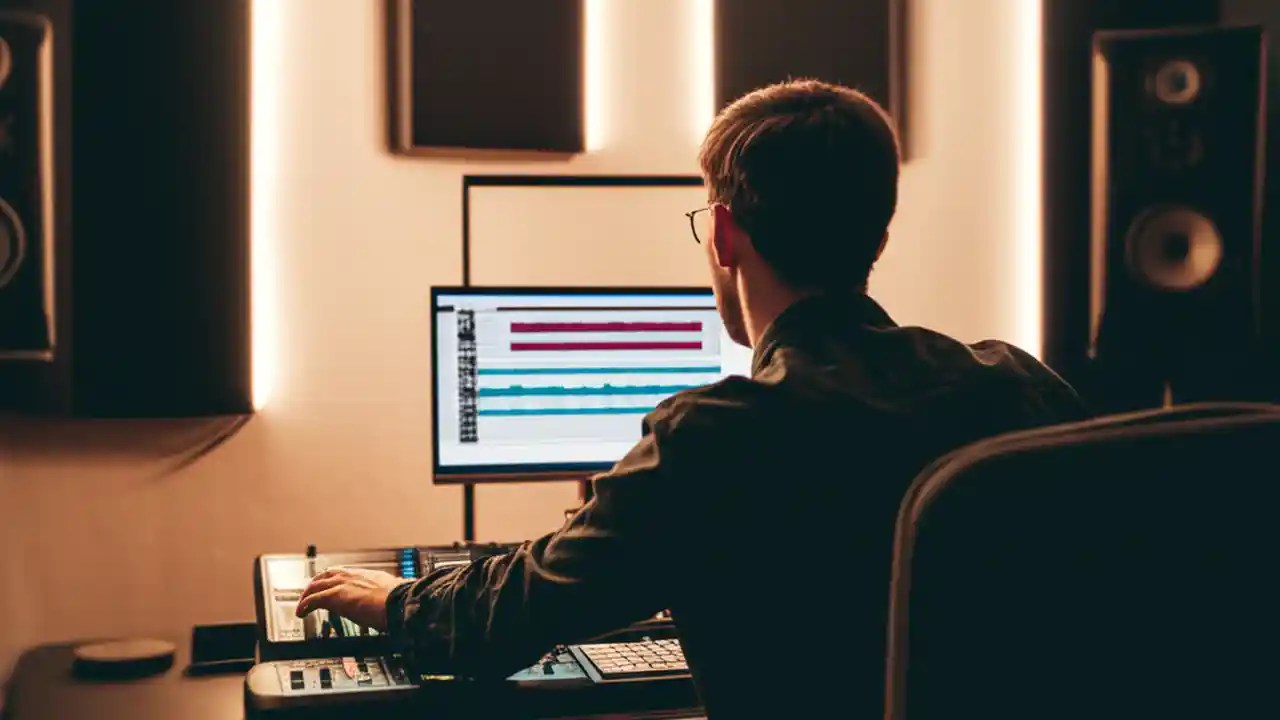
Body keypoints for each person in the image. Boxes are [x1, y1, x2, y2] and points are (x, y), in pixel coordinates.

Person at [295, 80, 1087, 718]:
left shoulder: (717, 436)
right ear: (878, 236)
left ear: (723, 236)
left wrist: (400, 601)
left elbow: (511, 619)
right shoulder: (1018, 386)